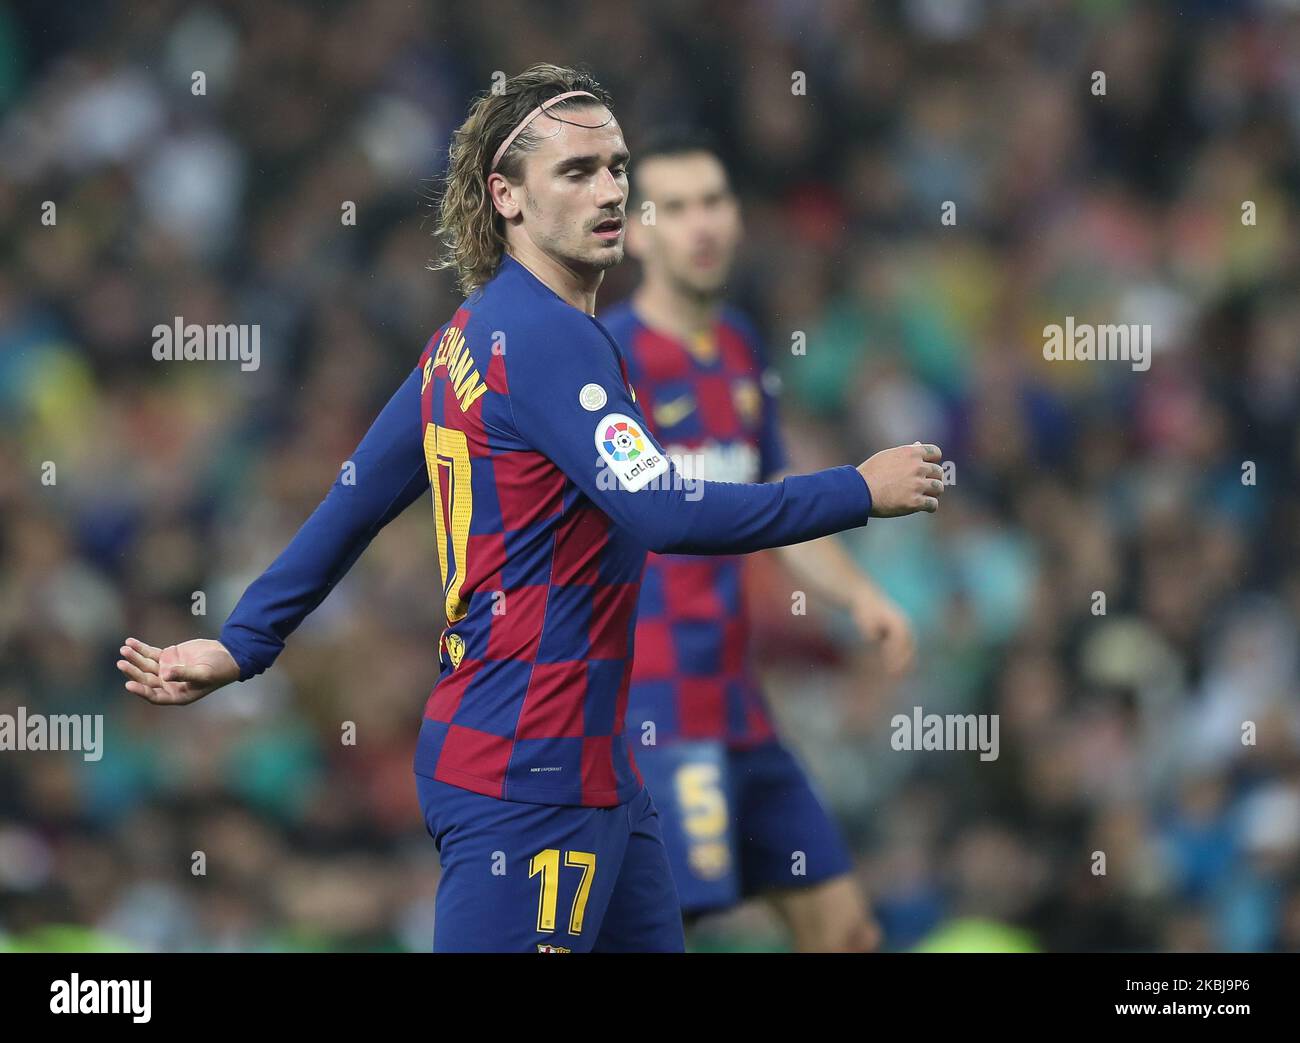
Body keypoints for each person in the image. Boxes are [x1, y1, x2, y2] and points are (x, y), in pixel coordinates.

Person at [115, 63, 946, 952]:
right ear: (505, 196)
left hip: (588, 769)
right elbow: (665, 514)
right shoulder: (551, 343)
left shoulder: (470, 337)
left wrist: (244, 641)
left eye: (618, 167)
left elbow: (352, 500)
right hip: (524, 773)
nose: (611, 190)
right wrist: (857, 488)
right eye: (577, 172)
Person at [602, 128, 916, 951]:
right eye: (675, 207)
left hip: (740, 706)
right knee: (666, 932)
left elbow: (776, 496)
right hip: (654, 711)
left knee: (846, 931)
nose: (701, 224)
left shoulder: (738, 344)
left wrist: (859, 595)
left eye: (715, 201)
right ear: (636, 231)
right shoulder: (611, 359)